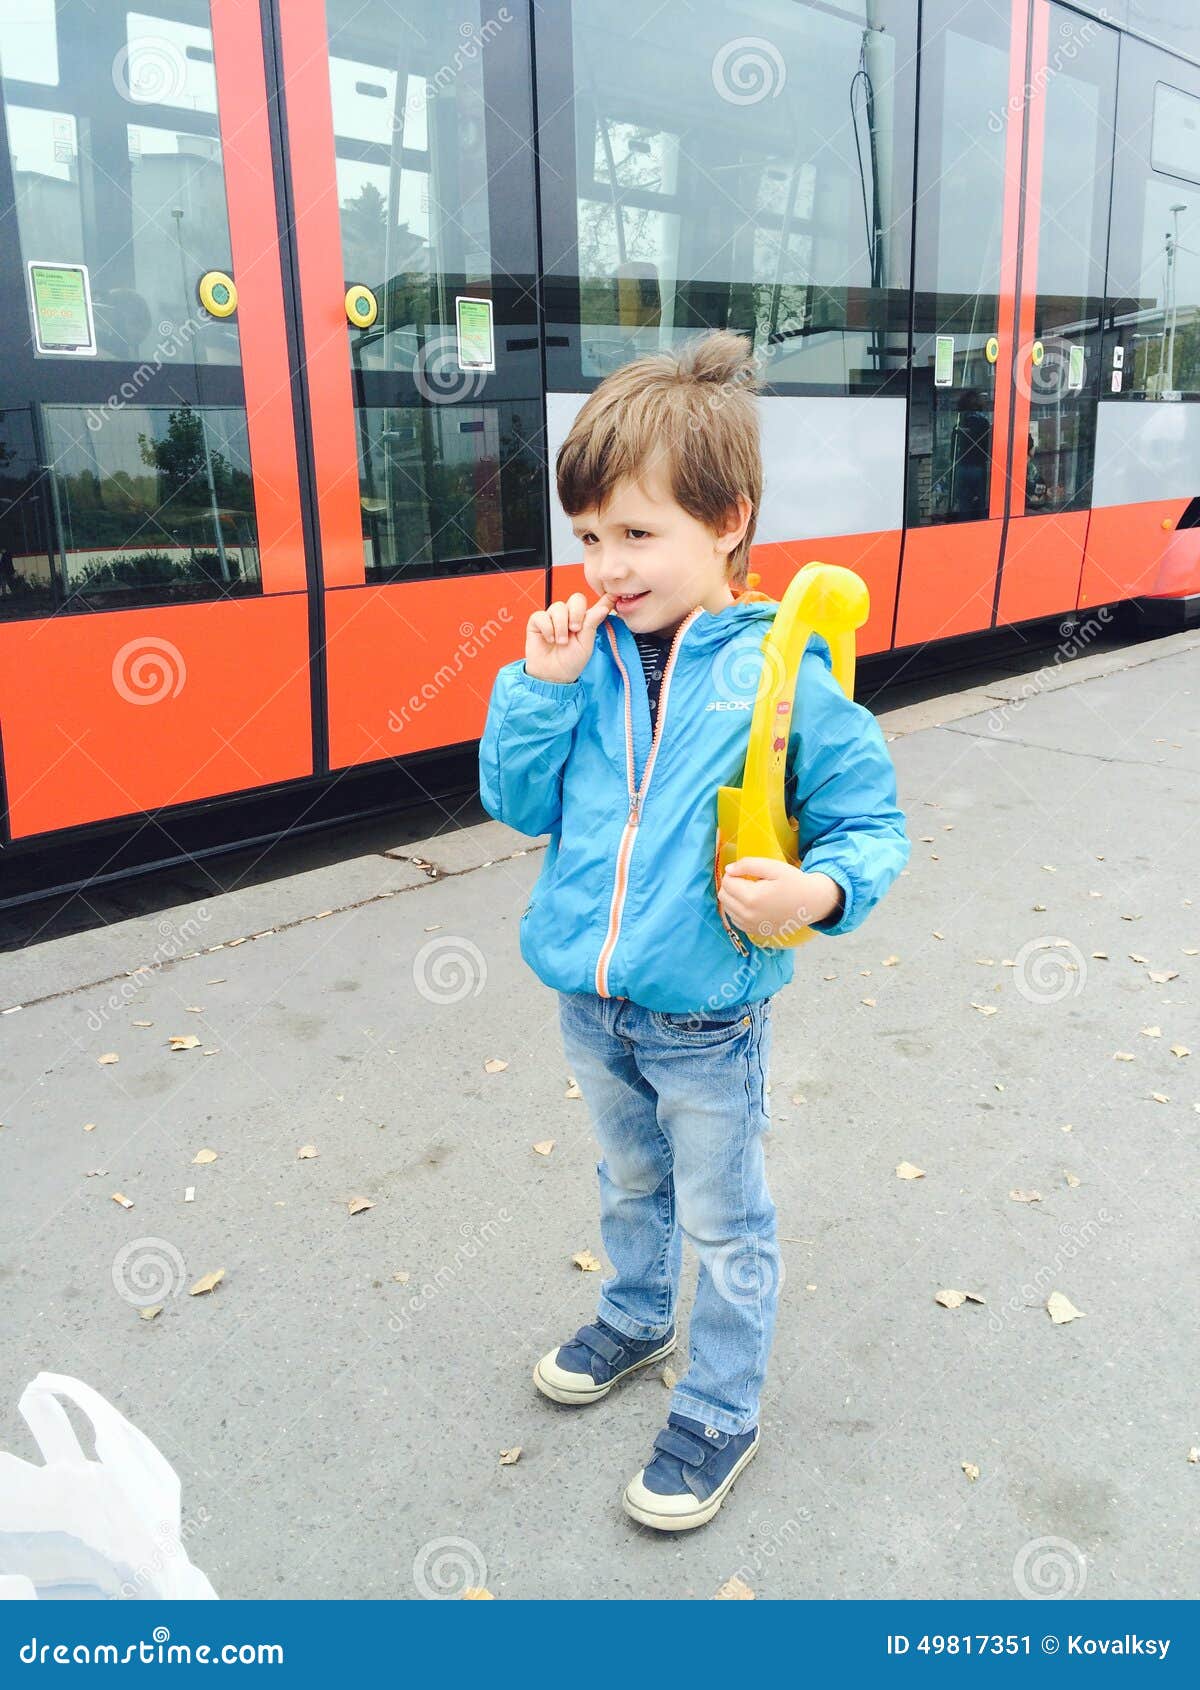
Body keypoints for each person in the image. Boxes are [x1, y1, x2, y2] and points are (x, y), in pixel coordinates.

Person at [478, 329, 910, 1532]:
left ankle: (720, 1402)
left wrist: (815, 897)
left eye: (637, 533)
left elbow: (868, 824)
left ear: (728, 520)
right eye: (589, 538)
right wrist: (539, 692)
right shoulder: (587, 660)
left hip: (709, 1012)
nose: (607, 568)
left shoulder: (782, 676)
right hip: (590, 999)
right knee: (628, 1177)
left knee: (725, 1214)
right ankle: (633, 1312)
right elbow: (515, 803)